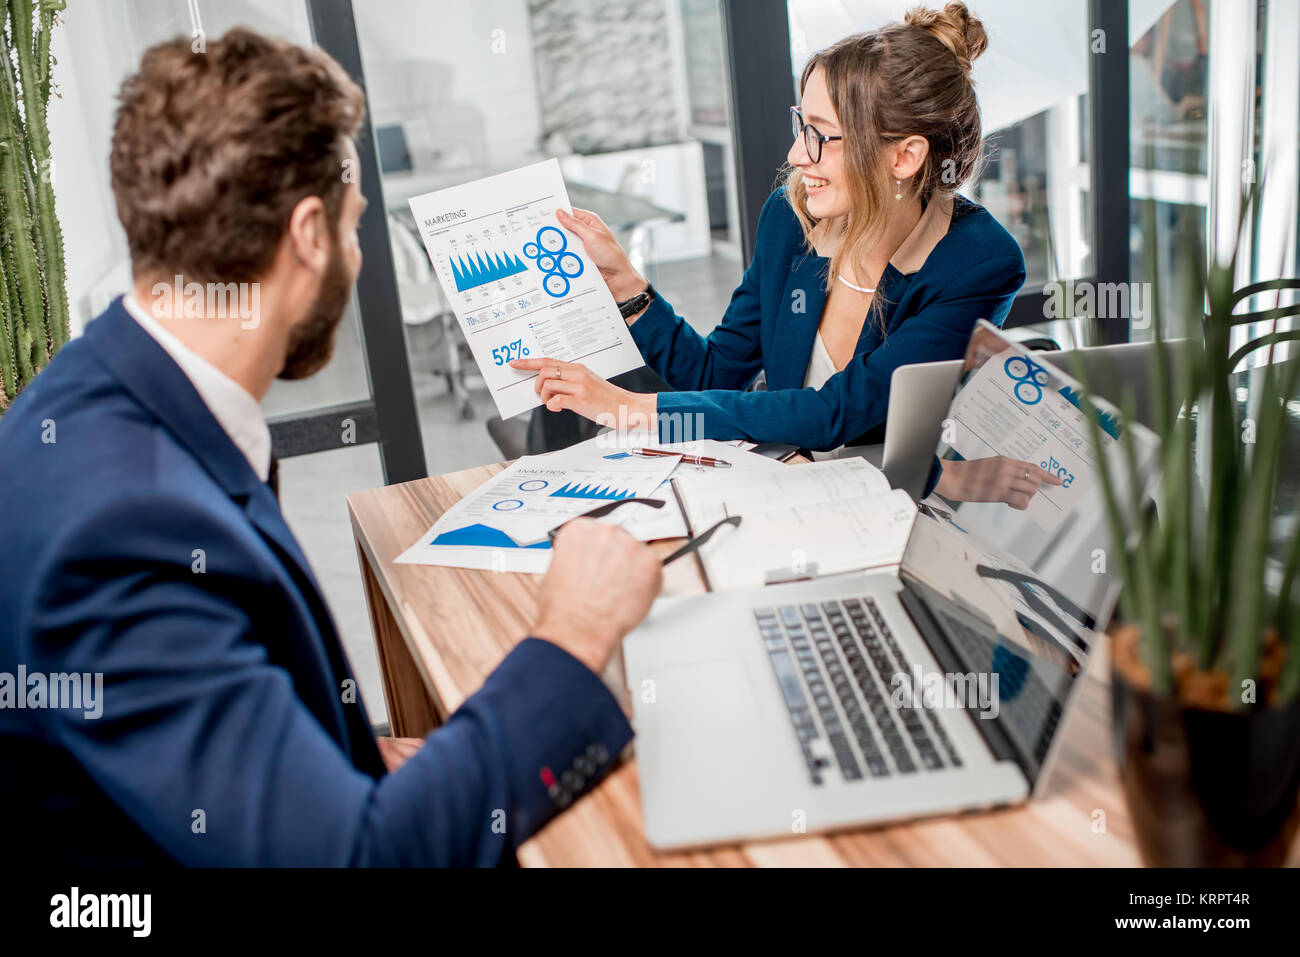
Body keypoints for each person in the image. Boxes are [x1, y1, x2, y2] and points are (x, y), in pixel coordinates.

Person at [0, 29, 662, 867]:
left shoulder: (115, 391)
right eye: (353, 230)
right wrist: (573, 631)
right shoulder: (121, 526)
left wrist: (336, 762)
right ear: (309, 233)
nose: (355, 257)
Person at [511, 1, 1026, 462]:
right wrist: (625, 283)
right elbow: (716, 375)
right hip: (778, 477)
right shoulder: (792, 217)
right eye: (803, 125)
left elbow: (835, 414)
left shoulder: (976, 263)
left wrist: (632, 409)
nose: (796, 155)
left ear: (904, 156)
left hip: (883, 504)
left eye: (822, 136)